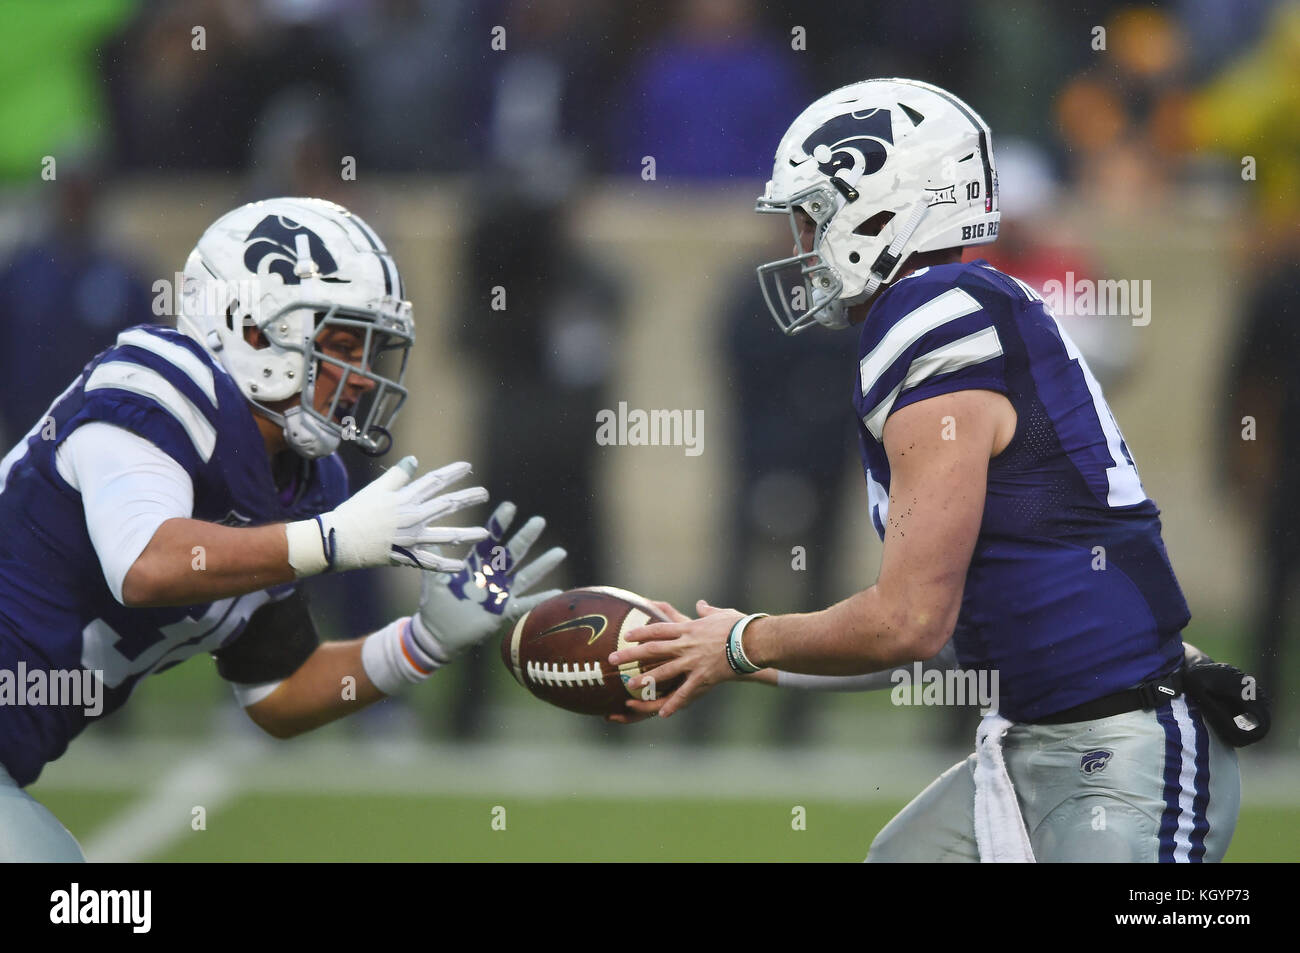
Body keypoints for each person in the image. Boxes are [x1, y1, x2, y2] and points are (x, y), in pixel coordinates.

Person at [609, 79, 1240, 862]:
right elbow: (937, 639)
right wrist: (727, 653)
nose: (801, 242)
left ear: (881, 210)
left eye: (813, 216)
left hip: (1120, 754)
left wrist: (745, 640)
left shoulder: (932, 317)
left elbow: (907, 621)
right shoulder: (954, 306)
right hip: (1038, 743)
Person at [0, 197, 564, 861]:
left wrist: (421, 642)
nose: (358, 381)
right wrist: (327, 543)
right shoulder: (157, 385)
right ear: (252, 329)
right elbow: (145, 563)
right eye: (339, 344)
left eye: (368, 349)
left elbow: (276, 690)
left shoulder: (302, 483)